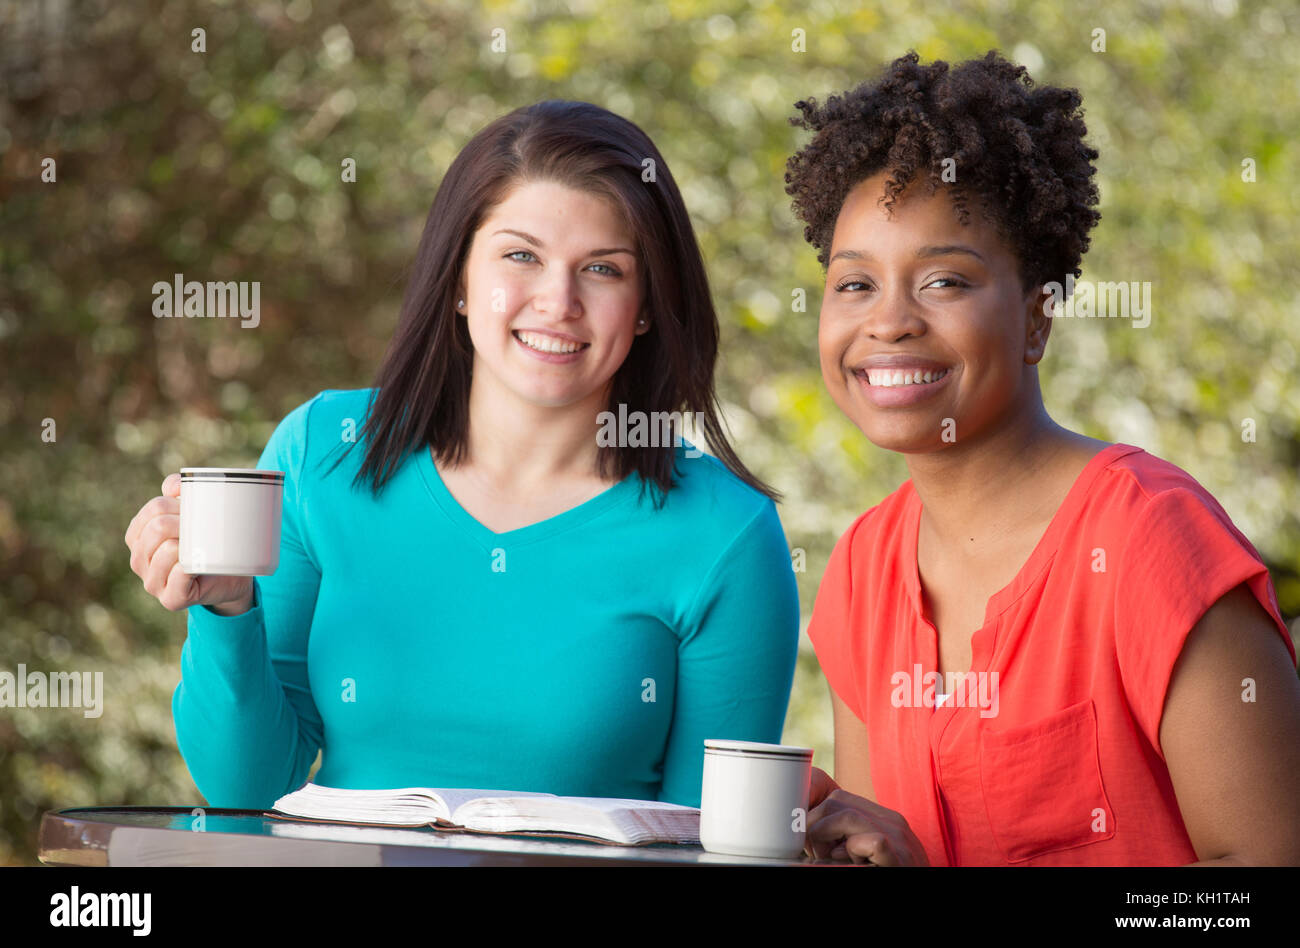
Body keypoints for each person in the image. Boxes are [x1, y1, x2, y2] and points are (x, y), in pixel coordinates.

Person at [124, 100, 800, 811]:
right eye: (521, 256)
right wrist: (228, 610)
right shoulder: (322, 452)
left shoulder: (727, 533)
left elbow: (710, 850)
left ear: (646, 305)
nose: (558, 300)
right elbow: (248, 788)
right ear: (458, 279)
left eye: (602, 269)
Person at [784, 52, 1300, 865]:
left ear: (1036, 320)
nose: (888, 323)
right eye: (854, 285)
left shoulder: (1151, 541)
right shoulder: (862, 572)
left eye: (944, 281)